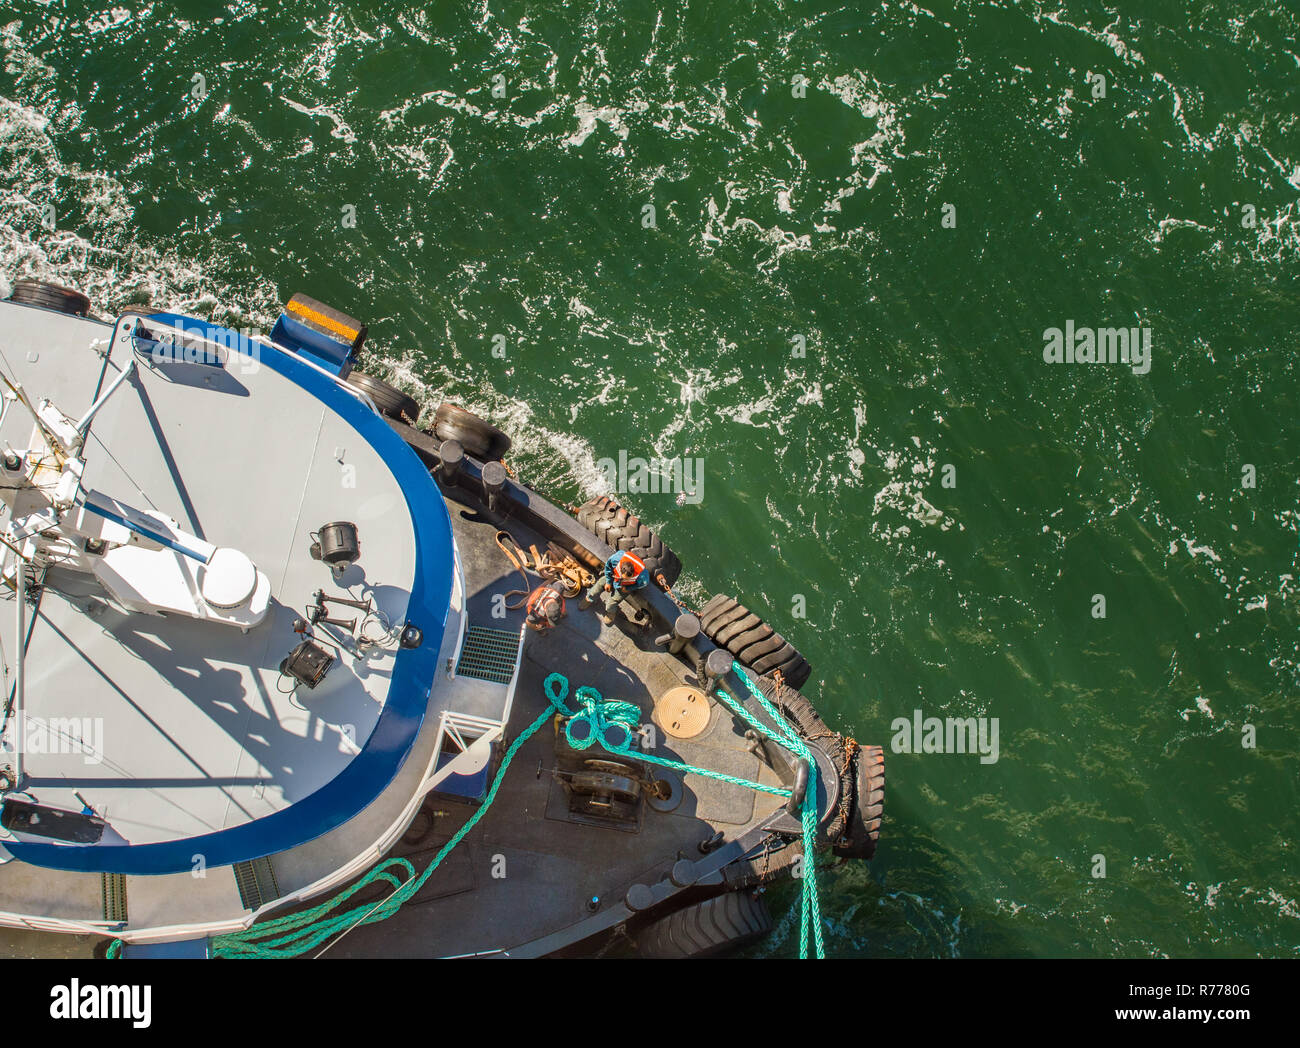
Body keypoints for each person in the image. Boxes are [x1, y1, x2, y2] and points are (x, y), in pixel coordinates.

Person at [580, 550, 648, 625]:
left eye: (626, 578)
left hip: (625, 586)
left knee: (611, 603)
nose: (623, 579)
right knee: (599, 585)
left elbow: (642, 584)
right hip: (614, 577)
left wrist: (628, 588)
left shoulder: (642, 576)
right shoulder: (616, 559)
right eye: (623, 577)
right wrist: (608, 582)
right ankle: (589, 598)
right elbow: (608, 567)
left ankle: (611, 613)